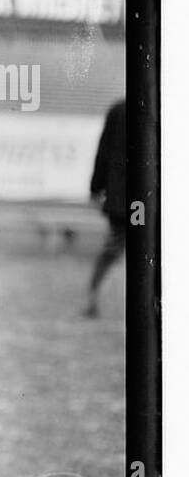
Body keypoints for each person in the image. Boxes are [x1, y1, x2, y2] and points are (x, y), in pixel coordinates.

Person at [83, 99, 127, 318]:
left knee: (112, 249)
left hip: (121, 199)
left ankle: (93, 297)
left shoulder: (119, 109)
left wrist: (95, 188)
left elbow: (103, 151)